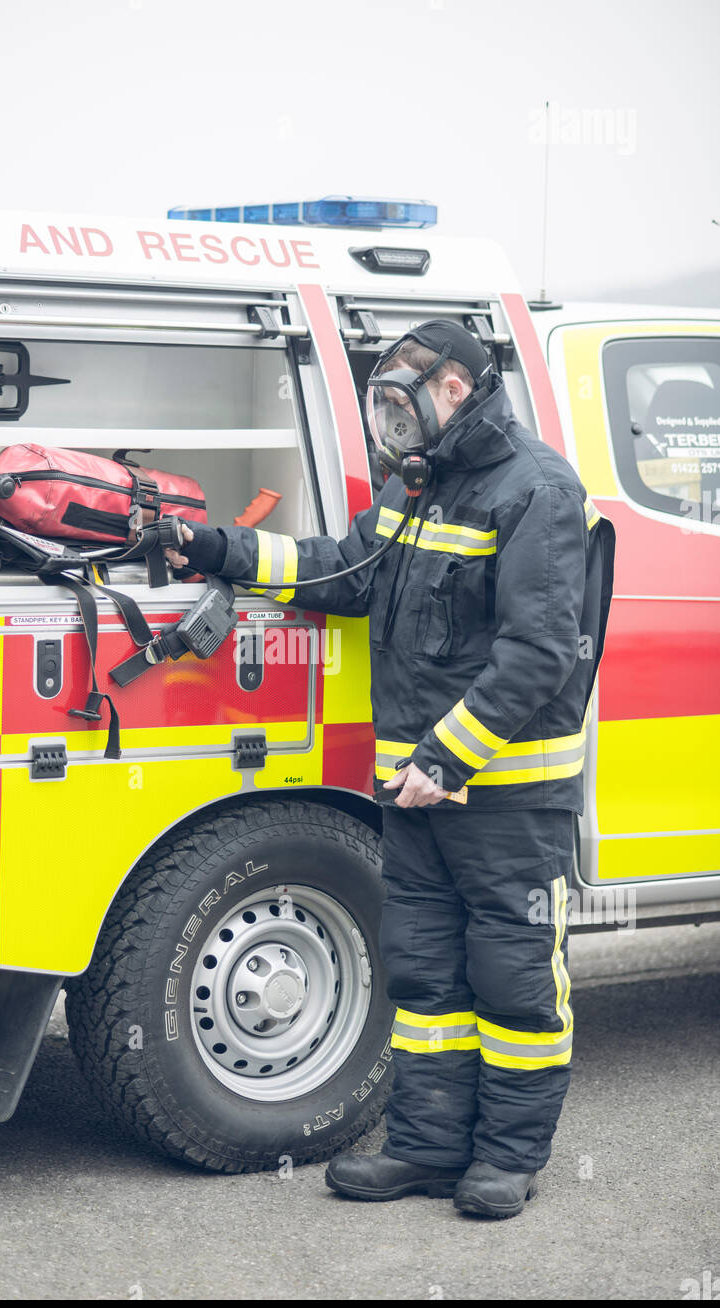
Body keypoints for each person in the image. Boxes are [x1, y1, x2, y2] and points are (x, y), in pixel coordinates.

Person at [165, 320, 615, 1219]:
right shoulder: (425, 487)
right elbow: (345, 569)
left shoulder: (537, 491)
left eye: (403, 399)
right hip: (417, 795)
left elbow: (538, 653)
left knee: (514, 977)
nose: (390, 419)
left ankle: (507, 1160)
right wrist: (223, 550)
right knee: (424, 979)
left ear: (456, 388)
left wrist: (447, 761)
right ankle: (423, 1148)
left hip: (506, 798)